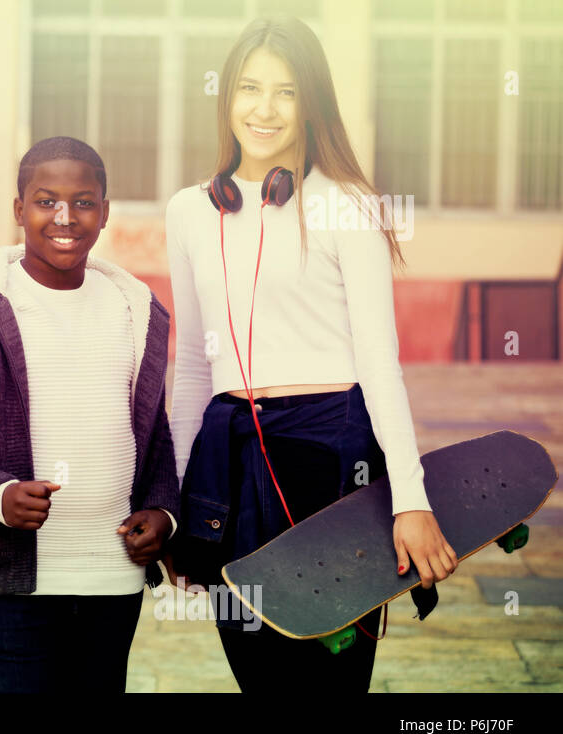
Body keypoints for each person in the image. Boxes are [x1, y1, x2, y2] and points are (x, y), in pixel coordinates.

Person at [165, 15, 457, 693]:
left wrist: (409, 499)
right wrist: (181, 500)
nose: (263, 109)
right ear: (226, 96)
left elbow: (380, 362)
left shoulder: (347, 205)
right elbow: (192, 363)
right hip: (230, 462)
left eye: (286, 92)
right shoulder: (189, 211)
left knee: (329, 679)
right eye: (248, 88)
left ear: (312, 102)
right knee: (258, 675)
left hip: (330, 459)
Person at [0, 137, 180, 693]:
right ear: (19, 210)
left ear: (104, 212)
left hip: (110, 581)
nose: (65, 217)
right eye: (45, 200)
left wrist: (162, 510)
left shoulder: (137, 310)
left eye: (83, 202)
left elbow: (152, 433)